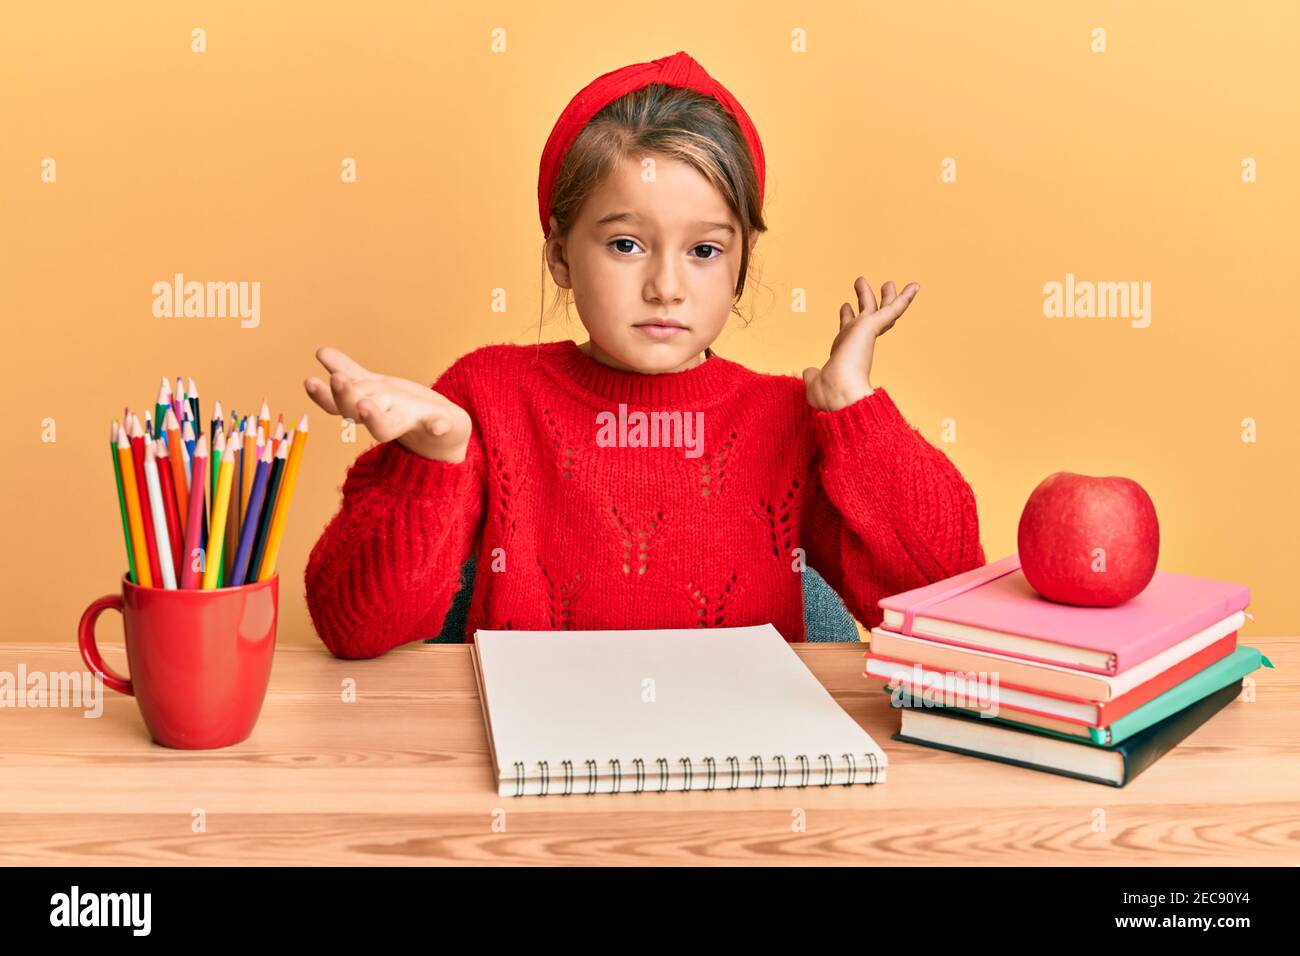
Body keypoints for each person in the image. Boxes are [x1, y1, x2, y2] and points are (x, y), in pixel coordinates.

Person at [303, 50, 985, 659]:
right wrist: (429, 461)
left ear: (742, 264)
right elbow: (352, 628)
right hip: (538, 772)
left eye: (705, 251)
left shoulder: (787, 418)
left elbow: (946, 607)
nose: (665, 288)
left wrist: (854, 412)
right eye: (626, 244)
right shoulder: (487, 393)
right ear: (560, 256)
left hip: (744, 775)